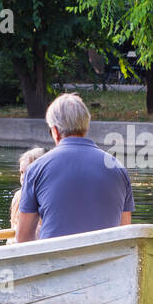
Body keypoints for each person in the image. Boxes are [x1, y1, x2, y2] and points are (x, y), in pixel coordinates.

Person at [15, 93, 134, 243]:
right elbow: (125, 234)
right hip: (106, 260)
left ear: (56, 131)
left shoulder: (36, 170)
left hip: (54, 264)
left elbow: (23, 240)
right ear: (85, 126)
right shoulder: (119, 169)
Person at [9, 147, 47, 239]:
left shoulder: (47, 196)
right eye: (21, 172)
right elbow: (13, 225)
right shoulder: (19, 196)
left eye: (28, 173)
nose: (23, 177)